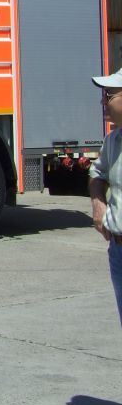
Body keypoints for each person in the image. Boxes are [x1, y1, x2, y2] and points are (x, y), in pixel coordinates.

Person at [89, 67, 122, 325]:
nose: (103, 101)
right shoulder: (112, 140)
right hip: (118, 250)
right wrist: (98, 204)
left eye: (109, 94)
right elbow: (97, 172)